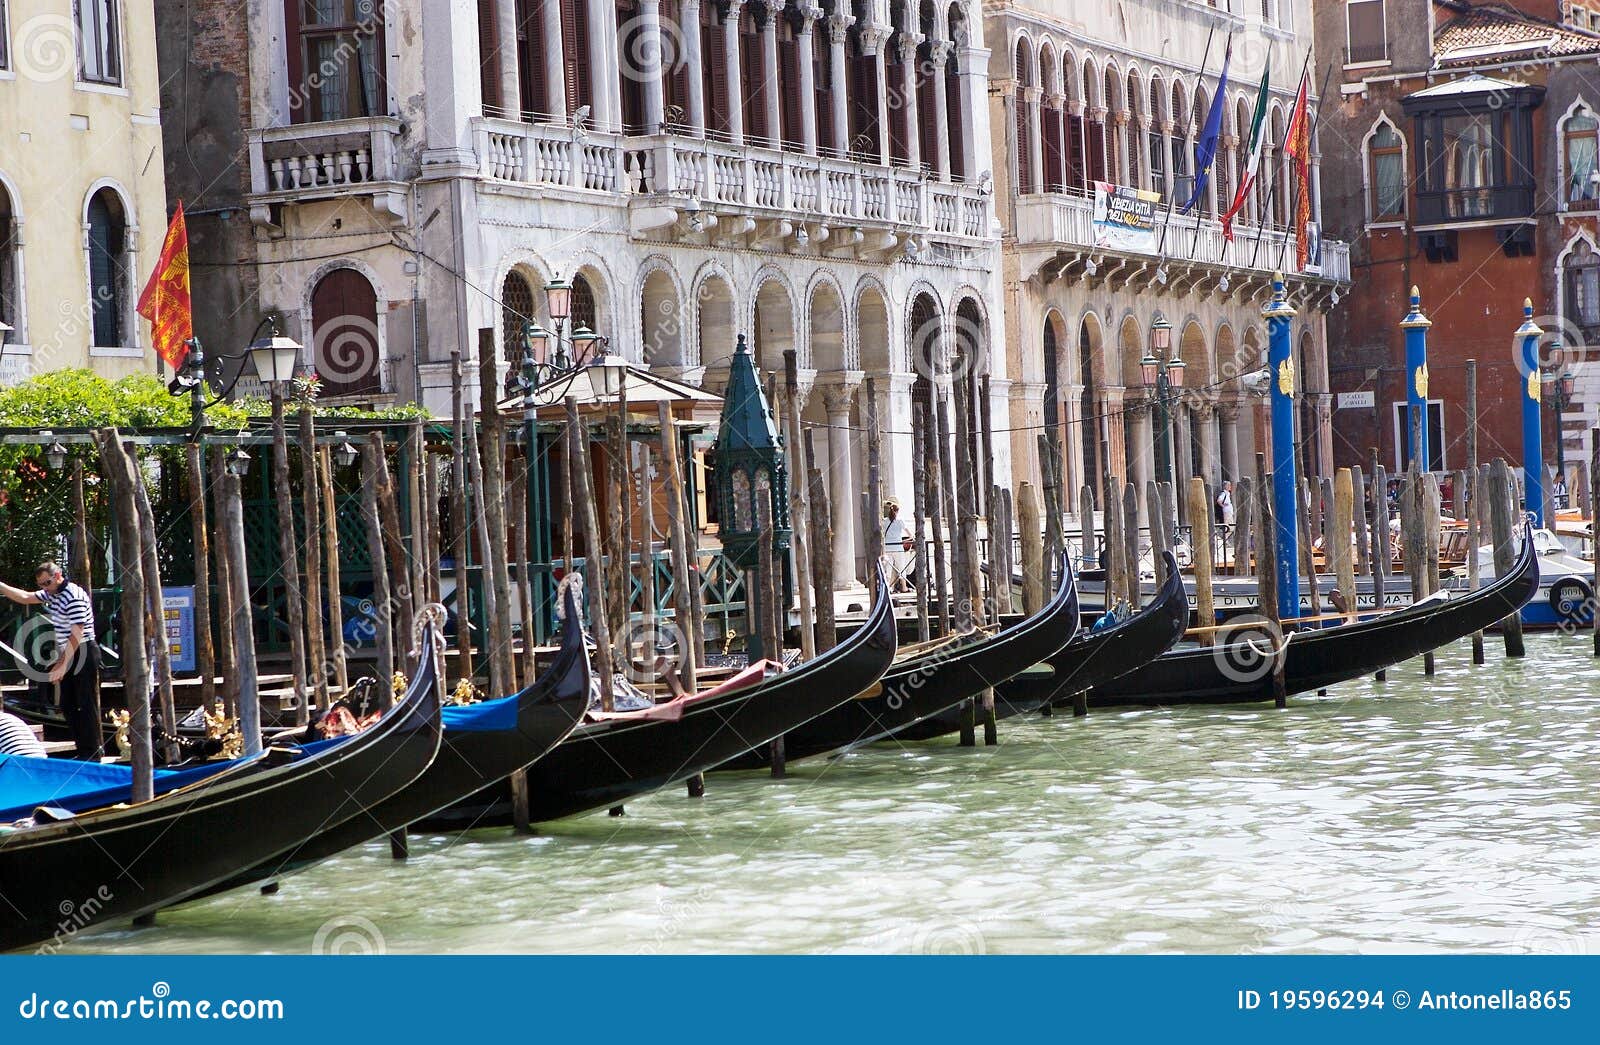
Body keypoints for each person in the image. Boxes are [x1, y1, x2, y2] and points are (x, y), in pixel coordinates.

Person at [0, 562, 101, 759]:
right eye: (41, 585)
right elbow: (25, 597)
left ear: (58, 576)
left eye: (47, 582)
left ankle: (93, 752)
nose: (44, 588)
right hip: (71, 651)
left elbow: (77, 634)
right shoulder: (52, 593)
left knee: (85, 702)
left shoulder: (73, 595)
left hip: (84, 650)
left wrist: (61, 664)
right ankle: (84, 750)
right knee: (67, 704)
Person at [881, 499, 914, 592]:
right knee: (901, 568)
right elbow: (910, 535)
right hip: (898, 548)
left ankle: (888, 589)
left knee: (888, 570)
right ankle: (904, 587)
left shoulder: (884, 521)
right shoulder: (900, 521)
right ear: (897, 511)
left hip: (887, 548)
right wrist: (903, 541)